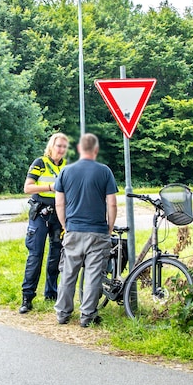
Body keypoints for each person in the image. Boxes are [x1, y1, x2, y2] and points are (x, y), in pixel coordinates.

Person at [53, 133, 117, 327]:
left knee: (68, 273)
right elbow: (112, 204)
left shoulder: (66, 172)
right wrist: (109, 228)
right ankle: (87, 316)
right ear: (95, 150)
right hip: (98, 232)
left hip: (73, 229)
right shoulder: (105, 171)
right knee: (93, 275)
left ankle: (63, 313)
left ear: (79, 149)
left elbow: (59, 203)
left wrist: (65, 225)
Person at [20, 132, 70, 313]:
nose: (61, 150)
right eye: (59, 146)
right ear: (51, 146)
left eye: (64, 147)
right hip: (40, 212)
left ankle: (52, 293)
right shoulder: (40, 163)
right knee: (36, 255)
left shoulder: (67, 166)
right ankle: (27, 297)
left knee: (56, 256)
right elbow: (28, 187)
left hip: (59, 213)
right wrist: (50, 187)